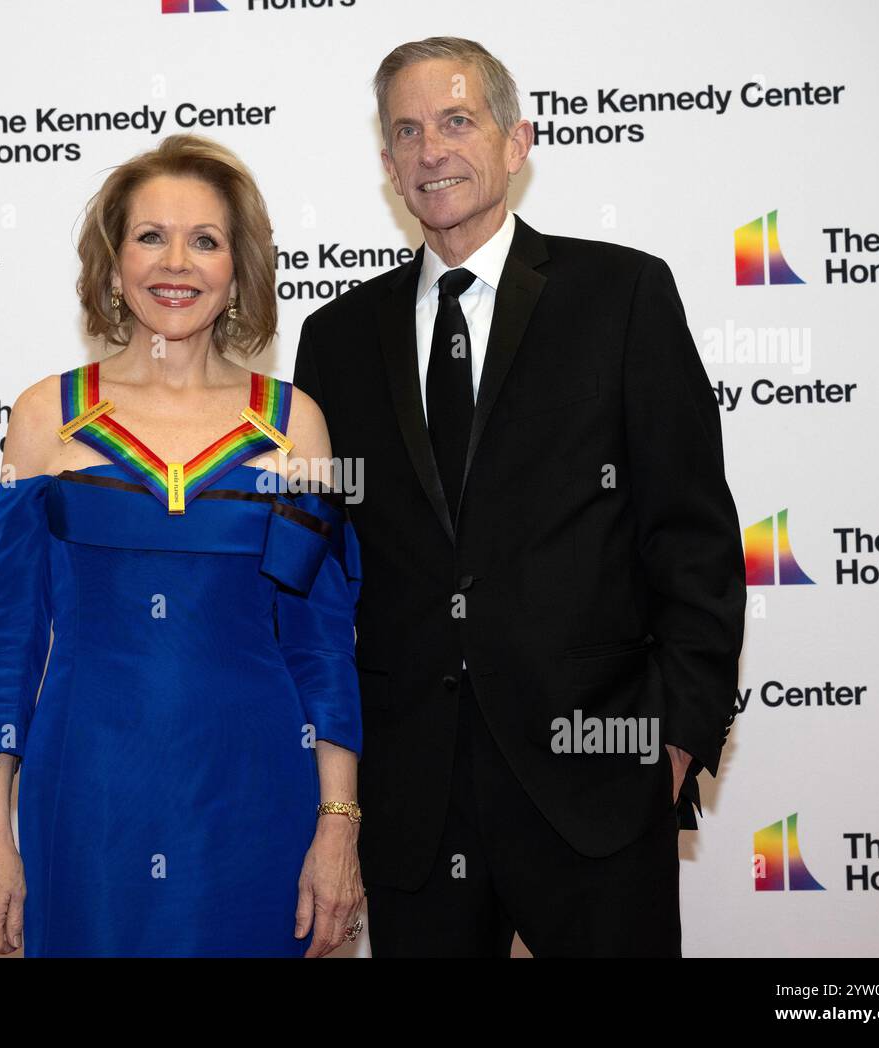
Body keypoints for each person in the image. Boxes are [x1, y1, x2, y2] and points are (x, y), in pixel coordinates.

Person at [294, 37, 747, 956]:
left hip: (598, 783)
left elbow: (693, 535)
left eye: (458, 121)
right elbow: (323, 572)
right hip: (416, 799)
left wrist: (670, 743)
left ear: (515, 142)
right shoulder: (336, 338)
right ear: (386, 165)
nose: (432, 151)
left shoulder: (621, 294)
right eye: (408, 132)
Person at [0, 134, 365, 957]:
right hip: (89, 797)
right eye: (150, 236)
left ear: (238, 269)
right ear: (111, 263)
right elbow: (8, 645)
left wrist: (338, 827)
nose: (176, 263)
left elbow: (322, 649)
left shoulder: (296, 426)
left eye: (205, 240)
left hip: (256, 793)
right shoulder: (45, 420)